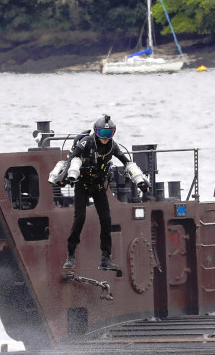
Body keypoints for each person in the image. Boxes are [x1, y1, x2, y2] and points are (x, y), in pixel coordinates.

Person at [49, 115, 149, 272]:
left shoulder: (112, 146)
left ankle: (105, 259)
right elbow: (71, 159)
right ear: (96, 132)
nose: (105, 138)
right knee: (80, 218)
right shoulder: (86, 142)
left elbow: (126, 162)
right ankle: (71, 255)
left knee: (106, 219)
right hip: (82, 184)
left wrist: (141, 181)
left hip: (99, 186)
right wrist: (62, 177)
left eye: (109, 134)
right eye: (102, 133)